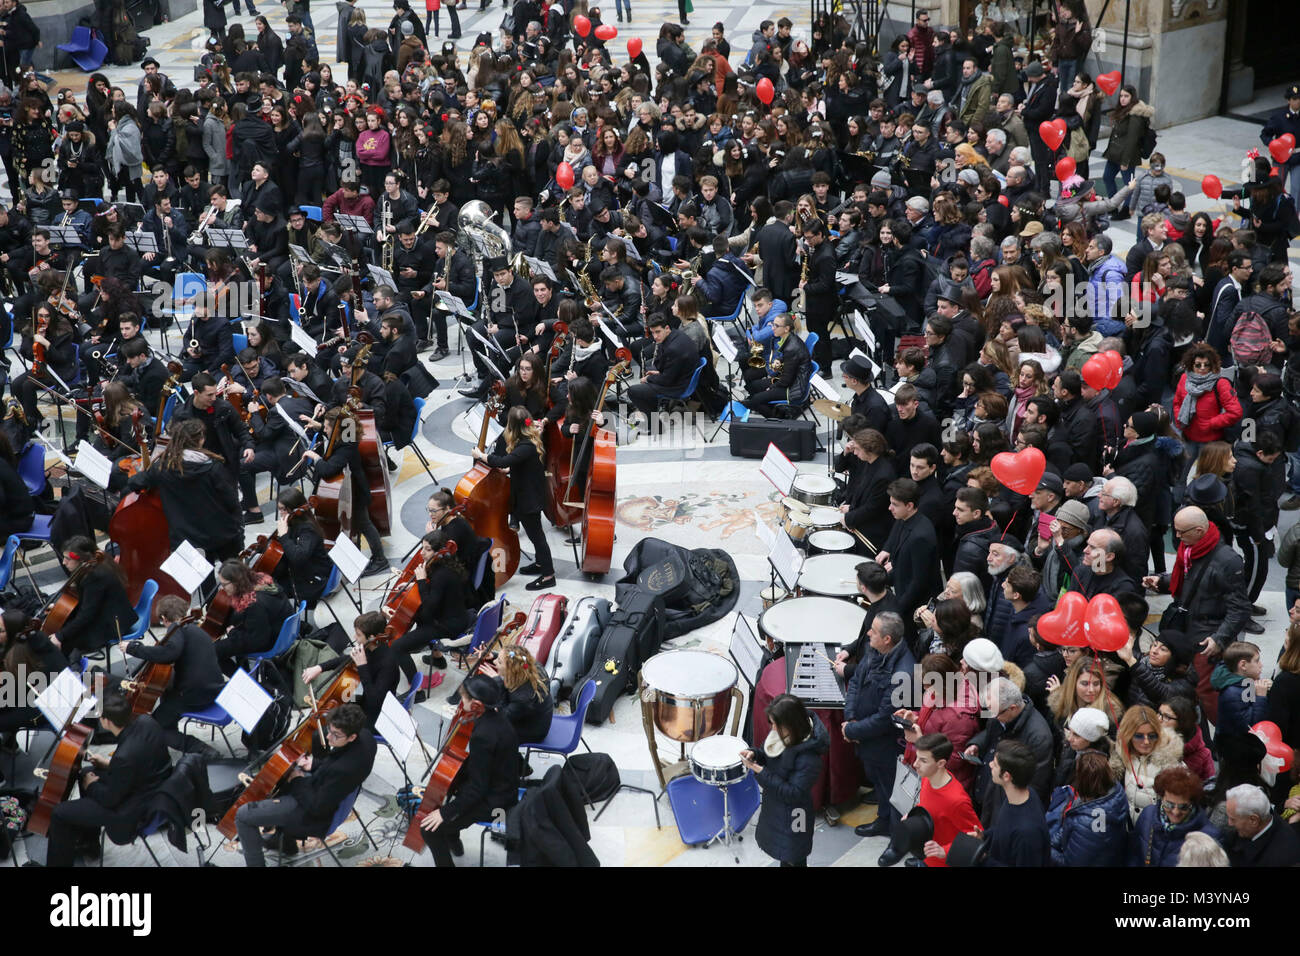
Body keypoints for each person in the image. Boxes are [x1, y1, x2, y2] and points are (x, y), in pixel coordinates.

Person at [235, 702, 377, 865]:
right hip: (332, 794)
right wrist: (314, 764)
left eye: (336, 735)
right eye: (329, 730)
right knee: (284, 777)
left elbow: (316, 807)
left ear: (352, 737)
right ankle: (284, 842)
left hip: (316, 816)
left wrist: (297, 779)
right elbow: (335, 763)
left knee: (243, 815)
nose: (329, 737)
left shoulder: (342, 770)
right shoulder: (367, 738)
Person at [44, 690, 172, 868]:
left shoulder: (124, 757)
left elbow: (109, 798)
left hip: (131, 812)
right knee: (86, 771)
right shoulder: (146, 721)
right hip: (152, 788)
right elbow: (141, 762)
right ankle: (89, 843)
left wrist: (92, 785)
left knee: (59, 813)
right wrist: (108, 764)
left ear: (106, 721)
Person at [417, 675, 520, 867]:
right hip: (504, 786)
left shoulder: (483, 736)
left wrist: (445, 813)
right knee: (450, 790)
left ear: (476, 705)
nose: (460, 701)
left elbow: (478, 788)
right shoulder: (497, 717)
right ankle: (454, 843)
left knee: (428, 829)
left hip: (495, 802)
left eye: (464, 698)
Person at [843, 612, 916, 850]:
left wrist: (853, 730)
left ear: (887, 639)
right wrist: (850, 717)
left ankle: (897, 842)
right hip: (868, 739)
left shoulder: (903, 674)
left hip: (886, 745)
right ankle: (883, 821)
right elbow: (855, 683)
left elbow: (885, 720)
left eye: (873, 631)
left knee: (894, 792)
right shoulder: (874, 648)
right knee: (880, 785)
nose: (868, 633)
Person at [127, 418, 245, 561]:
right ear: (200, 440)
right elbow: (231, 500)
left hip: (187, 538)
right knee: (234, 574)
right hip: (221, 532)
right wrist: (239, 527)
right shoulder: (213, 467)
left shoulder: (162, 468)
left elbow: (135, 483)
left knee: (202, 582)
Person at [125, 594, 226, 754]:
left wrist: (132, 648)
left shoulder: (176, 629)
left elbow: (168, 653)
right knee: (167, 691)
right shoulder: (195, 629)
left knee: (154, 727)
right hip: (214, 689)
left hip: (195, 696)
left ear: (165, 618)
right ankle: (170, 730)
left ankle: (201, 749)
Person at [471, 407, 553, 590]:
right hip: (528, 494)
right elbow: (519, 464)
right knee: (535, 536)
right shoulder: (528, 440)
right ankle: (540, 565)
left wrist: (480, 455)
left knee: (537, 537)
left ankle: (548, 575)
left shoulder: (525, 446)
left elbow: (502, 461)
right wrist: (510, 470)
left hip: (528, 500)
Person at [742, 694, 828, 867]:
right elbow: (769, 755)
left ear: (791, 724)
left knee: (795, 854)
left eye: (776, 724)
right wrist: (755, 754)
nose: (772, 729)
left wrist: (760, 771)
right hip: (777, 806)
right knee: (785, 855)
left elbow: (793, 793)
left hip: (797, 815)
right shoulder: (784, 733)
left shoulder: (809, 758)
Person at [385, 528, 473, 685]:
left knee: (397, 647)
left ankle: (416, 690)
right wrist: (412, 585)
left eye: (427, 549)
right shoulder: (446, 565)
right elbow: (433, 592)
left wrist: (419, 582)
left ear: (439, 551)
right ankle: (437, 659)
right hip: (452, 615)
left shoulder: (441, 575)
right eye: (422, 547)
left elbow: (427, 612)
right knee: (416, 618)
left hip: (448, 625)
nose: (422, 553)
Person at [301, 611, 397, 729]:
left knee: (333, 725)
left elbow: (374, 701)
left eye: (358, 634)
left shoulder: (388, 663)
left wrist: (362, 666)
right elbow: (347, 659)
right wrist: (319, 668)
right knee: (338, 702)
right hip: (365, 700)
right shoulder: (370, 647)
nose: (354, 638)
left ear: (372, 637)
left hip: (377, 714)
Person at [46, 537, 136, 658]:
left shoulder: (95, 576)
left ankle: (67, 670)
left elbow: (86, 614)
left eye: (68, 558)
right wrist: (59, 609)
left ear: (82, 559)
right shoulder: (93, 566)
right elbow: (86, 604)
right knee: (64, 627)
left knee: (64, 641)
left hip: (114, 624)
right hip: (108, 613)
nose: (64, 562)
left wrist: (60, 636)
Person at [1045, 749, 1130, 867]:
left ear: (1082, 780)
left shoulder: (1087, 824)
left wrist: (1044, 849)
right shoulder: (1115, 794)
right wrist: (1052, 841)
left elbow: (1070, 863)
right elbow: (1069, 827)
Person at [211, 559, 295, 675]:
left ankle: (243, 681)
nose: (223, 588)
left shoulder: (254, 603)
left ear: (236, 582)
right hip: (280, 631)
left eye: (224, 584)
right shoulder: (261, 582)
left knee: (213, 651)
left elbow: (257, 641)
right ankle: (243, 670)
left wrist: (233, 633)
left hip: (272, 640)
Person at [1130, 765, 1221, 867]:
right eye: (1169, 805)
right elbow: (1134, 855)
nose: (1175, 812)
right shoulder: (1148, 815)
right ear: (1161, 797)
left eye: (1183, 807)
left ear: (1193, 802)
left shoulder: (1210, 837)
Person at [1110, 704, 1185, 823]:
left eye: (1152, 736)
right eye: (1139, 736)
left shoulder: (1171, 764)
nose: (1146, 741)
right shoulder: (1121, 757)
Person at [981, 739, 1050, 866]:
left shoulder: (1027, 833)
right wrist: (985, 836)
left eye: (995, 764)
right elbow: (1006, 829)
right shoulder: (1023, 794)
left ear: (1007, 776)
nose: (990, 765)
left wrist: (983, 860)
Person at [1222, 783, 1300, 867]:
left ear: (1253, 820)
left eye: (1233, 819)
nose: (1229, 823)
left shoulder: (1283, 857)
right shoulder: (1242, 832)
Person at [1212, 641, 1271, 738]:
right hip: (1235, 748)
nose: (1261, 665)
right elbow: (1251, 727)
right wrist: (1260, 696)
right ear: (1243, 665)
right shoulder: (1232, 694)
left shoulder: (1244, 682)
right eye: (1257, 661)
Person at [498, 643, 553, 743]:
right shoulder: (529, 665)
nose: (494, 662)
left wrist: (499, 683)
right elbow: (513, 657)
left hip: (530, 732)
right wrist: (492, 655)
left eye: (499, 662)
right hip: (538, 718)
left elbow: (502, 718)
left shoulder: (523, 698)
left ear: (511, 669)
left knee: (486, 727)